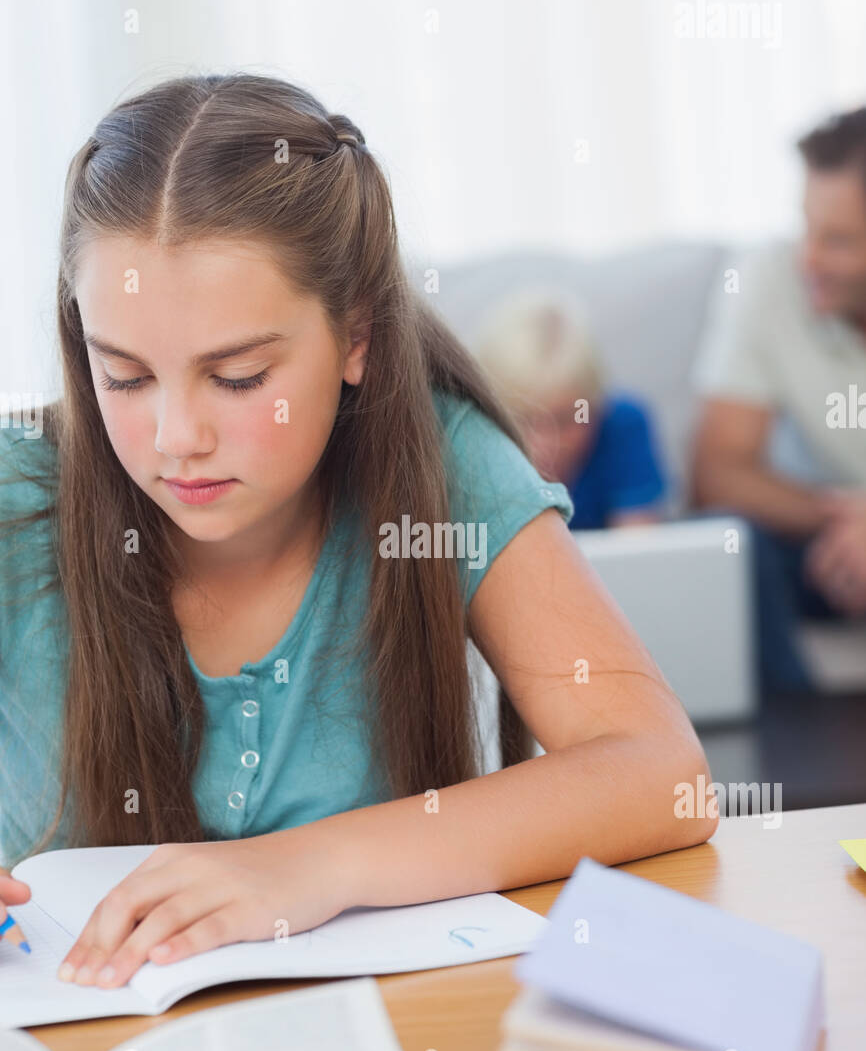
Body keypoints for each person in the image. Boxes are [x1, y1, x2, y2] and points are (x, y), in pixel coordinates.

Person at [0, 73, 712, 990]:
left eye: (240, 376)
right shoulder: (20, 492)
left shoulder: (441, 464)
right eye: (125, 377)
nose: (177, 439)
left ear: (357, 338)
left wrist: (314, 864)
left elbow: (660, 771)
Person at [690, 106, 866, 693]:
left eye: (837, 240)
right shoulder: (769, 279)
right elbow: (717, 473)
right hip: (830, 546)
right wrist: (849, 516)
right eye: (805, 227)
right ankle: (801, 772)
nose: (807, 260)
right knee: (730, 538)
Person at [473, 288, 668, 529]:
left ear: (596, 405)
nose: (543, 445)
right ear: (485, 413)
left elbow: (640, 548)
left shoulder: (622, 426)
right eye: (521, 420)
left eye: (565, 420)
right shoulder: (469, 448)